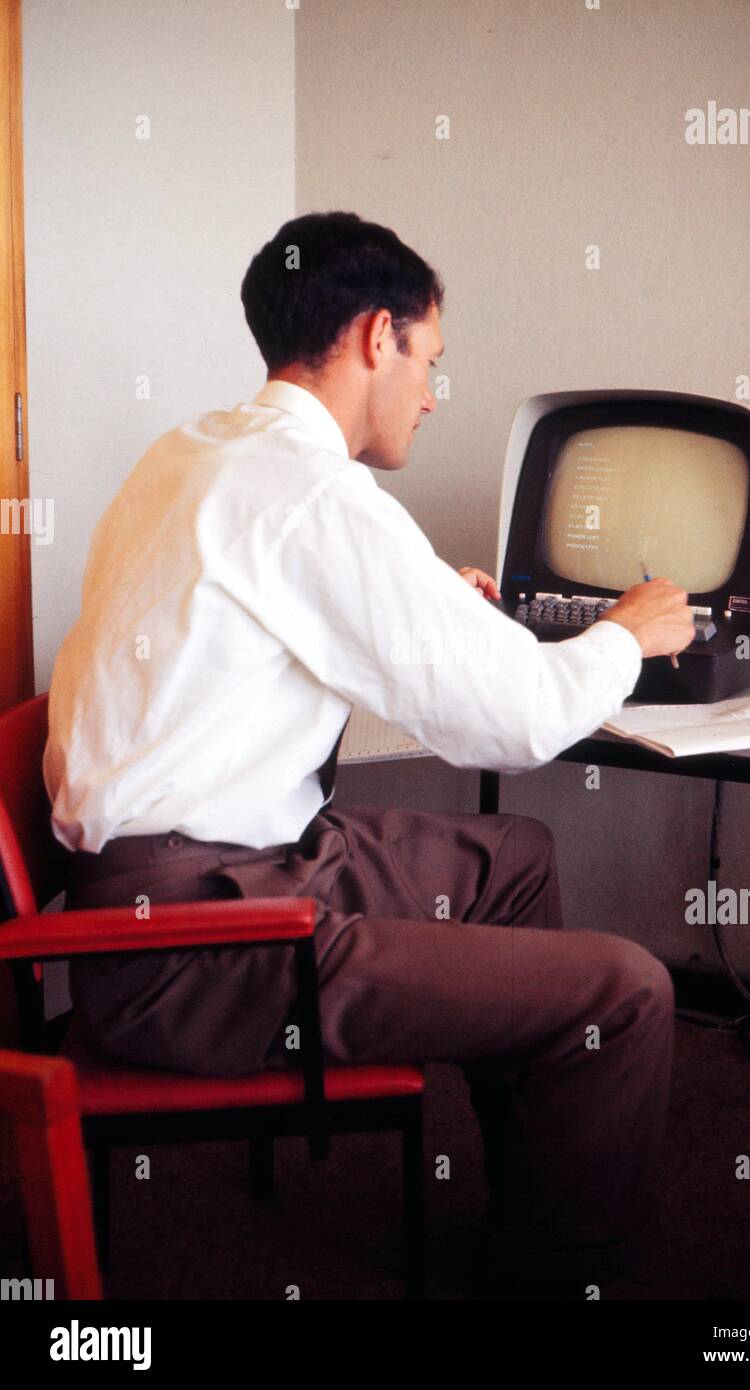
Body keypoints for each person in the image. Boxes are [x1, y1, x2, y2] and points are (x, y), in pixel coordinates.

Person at [44, 211, 694, 1299]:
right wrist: (627, 635)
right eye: (431, 361)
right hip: (198, 949)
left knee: (516, 853)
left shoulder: (201, 449)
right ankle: (563, 1276)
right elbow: (517, 723)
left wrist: (430, 593)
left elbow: (276, 601)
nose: (435, 394)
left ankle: (531, 1186)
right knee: (626, 990)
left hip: (211, 873)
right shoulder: (312, 494)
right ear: (375, 336)